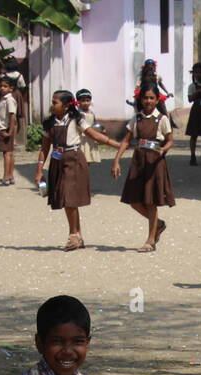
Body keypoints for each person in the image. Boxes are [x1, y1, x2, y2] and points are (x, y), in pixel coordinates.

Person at [33, 91, 120, 251]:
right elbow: (44, 149)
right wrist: (39, 170)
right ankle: (78, 235)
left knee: (68, 197)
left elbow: (94, 135)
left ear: (66, 106)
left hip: (74, 160)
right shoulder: (49, 123)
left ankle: (73, 234)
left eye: (55, 102)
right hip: (57, 161)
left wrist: (116, 145)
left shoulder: (77, 120)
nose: (52, 105)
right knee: (67, 198)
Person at [112, 84, 176, 253]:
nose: (148, 101)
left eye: (151, 98)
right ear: (141, 99)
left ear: (157, 100)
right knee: (133, 200)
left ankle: (150, 239)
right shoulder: (137, 118)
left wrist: (164, 149)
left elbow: (170, 139)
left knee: (151, 201)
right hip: (139, 161)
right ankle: (158, 224)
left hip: (155, 162)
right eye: (145, 98)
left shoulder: (161, 119)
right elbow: (126, 140)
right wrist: (116, 160)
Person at [0, 77, 20, 187]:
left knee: (7, 154)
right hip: (3, 128)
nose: (2, 88)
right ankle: (10, 176)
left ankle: (6, 177)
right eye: (0, 86)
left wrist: (10, 131)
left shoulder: (9, 100)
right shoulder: (3, 99)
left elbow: (12, 116)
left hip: (5, 128)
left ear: (11, 88)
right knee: (9, 153)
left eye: (5, 86)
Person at [75, 89, 103, 165]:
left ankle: (85, 175)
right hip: (81, 139)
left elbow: (94, 123)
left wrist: (100, 130)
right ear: (78, 102)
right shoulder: (78, 114)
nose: (86, 103)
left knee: (88, 159)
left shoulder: (91, 113)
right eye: (83, 101)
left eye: (88, 100)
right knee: (80, 160)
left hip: (90, 138)